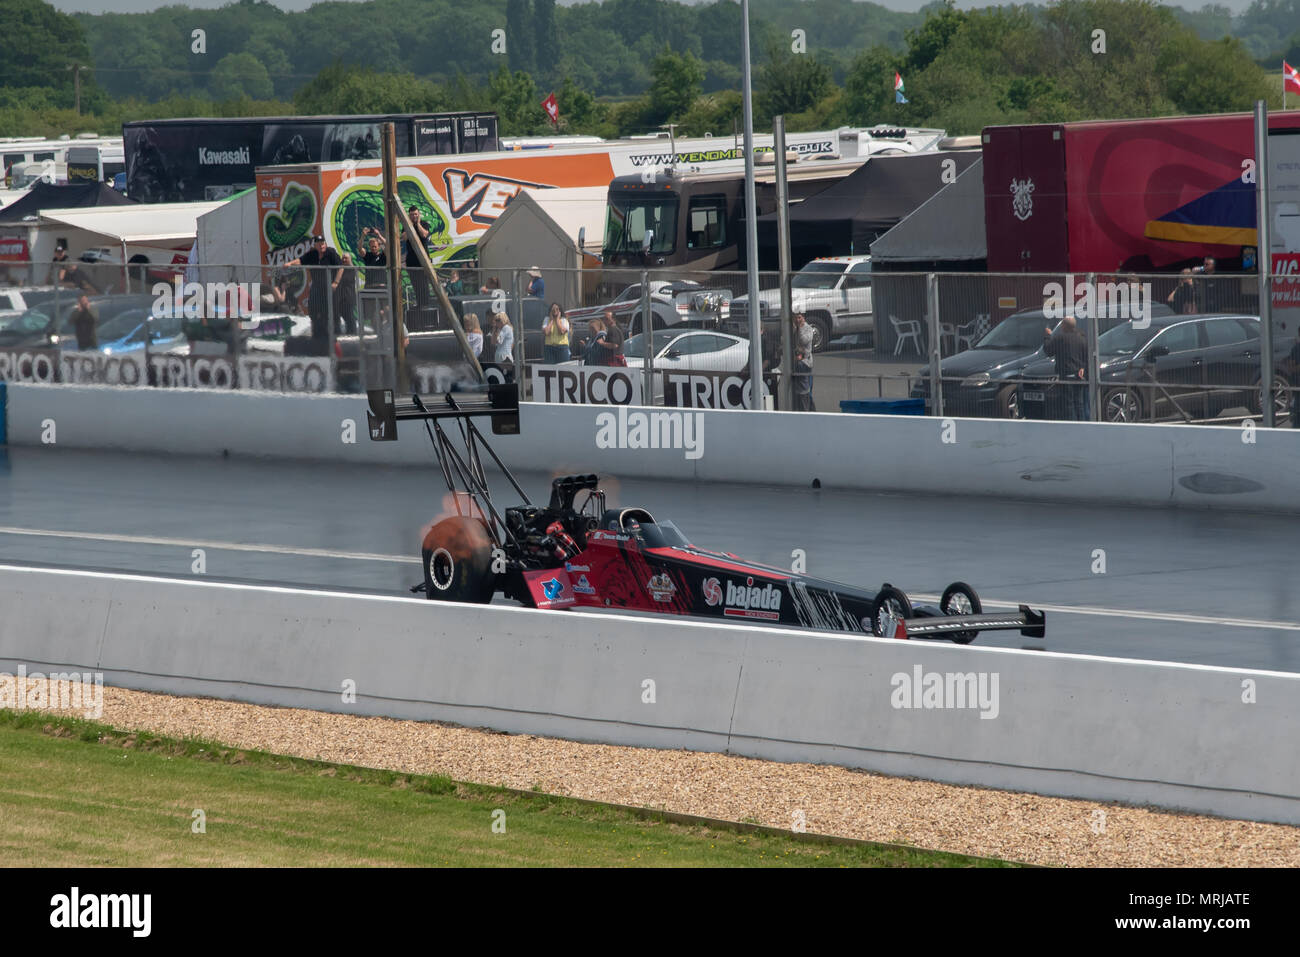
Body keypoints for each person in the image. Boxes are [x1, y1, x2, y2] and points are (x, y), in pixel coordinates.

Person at [285, 233, 343, 343]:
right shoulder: (312, 254)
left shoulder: (330, 252)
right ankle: (317, 335)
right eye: (319, 244)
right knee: (314, 310)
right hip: (317, 285)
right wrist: (289, 263)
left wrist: (335, 282)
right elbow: (300, 261)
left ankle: (335, 337)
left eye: (323, 243)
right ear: (315, 245)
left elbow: (340, 267)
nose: (322, 246)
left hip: (330, 286)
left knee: (332, 312)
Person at [1043, 314, 1089, 421]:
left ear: (1064, 326)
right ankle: (1082, 425)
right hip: (1079, 376)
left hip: (1065, 375)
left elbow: (1048, 351)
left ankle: (1071, 426)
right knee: (1079, 403)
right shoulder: (1082, 338)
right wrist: (1083, 368)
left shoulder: (1060, 338)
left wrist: (1047, 336)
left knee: (1068, 404)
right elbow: (1087, 357)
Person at [400, 204, 431, 315]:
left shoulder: (424, 224)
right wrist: (410, 225)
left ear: (419, 215)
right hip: (412, 260)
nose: (414, 216)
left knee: (424, 283)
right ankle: (419, 303)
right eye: (412, 215)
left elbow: (424, 235)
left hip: (423, 260)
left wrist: (417, 224)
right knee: (415, 283)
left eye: (416, 214)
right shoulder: (407, 226)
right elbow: (404, 237)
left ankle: (425, 304)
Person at [791, 311, 816, 412]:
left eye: (799, 318)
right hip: (797, 362)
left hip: (805, 362)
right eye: (796, 318)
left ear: (803, 318)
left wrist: (800, 328)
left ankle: (808, 410)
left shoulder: (807, 329)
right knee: (800, 388)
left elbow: (803, 341)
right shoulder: (795, 329)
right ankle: (808, 409)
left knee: (804, 388)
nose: (798, 320)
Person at [335, 252, 358, 335]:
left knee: (349, 316)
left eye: (346, 258)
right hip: (341, 297)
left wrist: (340, 272)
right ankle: (349, 331)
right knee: (344, 315)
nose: (344, 260)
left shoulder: (351, 269)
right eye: (343, 258)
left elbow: (345, 279)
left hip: (348, 297)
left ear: (350, 259)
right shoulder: (341, 269)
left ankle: (353, 332)